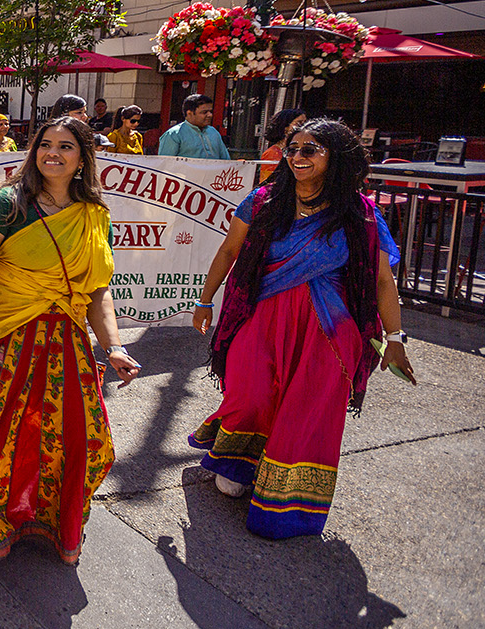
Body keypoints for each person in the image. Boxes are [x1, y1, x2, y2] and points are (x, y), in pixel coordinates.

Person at [0, 117, 141, 588]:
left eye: (66, 146)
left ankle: (39, 519)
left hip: (65, 345)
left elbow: (98, 290)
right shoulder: (9, 202)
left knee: (72, 439)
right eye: (45, 144)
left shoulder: (94, 214)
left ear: (83, 158)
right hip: (5, 339)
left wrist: (115, 346)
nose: (53, 153)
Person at [190, 118, 413, 538]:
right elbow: (229, 250)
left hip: (330, 329)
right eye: (292, 149)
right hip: (262, 315)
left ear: (336, 157)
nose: (297, 156)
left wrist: (395, 339)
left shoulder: (360, 214)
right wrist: (205, 301)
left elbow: (383, 281)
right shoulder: (264, 201)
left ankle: (284, 504)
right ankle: (238, 462)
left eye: (310, 150)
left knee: (303, 412)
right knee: (251, 393)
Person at [158, 93, 230, 159]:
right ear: (189, 113)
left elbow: (226, 161)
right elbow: (164, 163)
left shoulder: (213, 132)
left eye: (210, 111)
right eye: (204, 112)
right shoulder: (174, 135)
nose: (210, 115)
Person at [260, 107, 306, 176]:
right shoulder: (272, 153)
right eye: (299, 123)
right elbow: (267, 179)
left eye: (305, 123)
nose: (304, 127)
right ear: (285, 128)